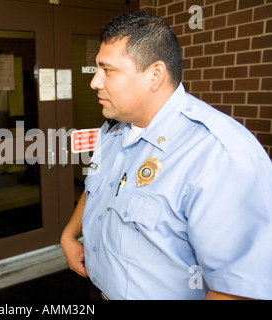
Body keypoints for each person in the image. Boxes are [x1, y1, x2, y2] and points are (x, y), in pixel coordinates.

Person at [61, 11, 272, 300]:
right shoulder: (112, 131)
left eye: (107, 70)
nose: (95, 82)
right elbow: (99, 189)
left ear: (155, 74)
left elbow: (238, 288)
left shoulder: (220, 155)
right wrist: (70, 234)